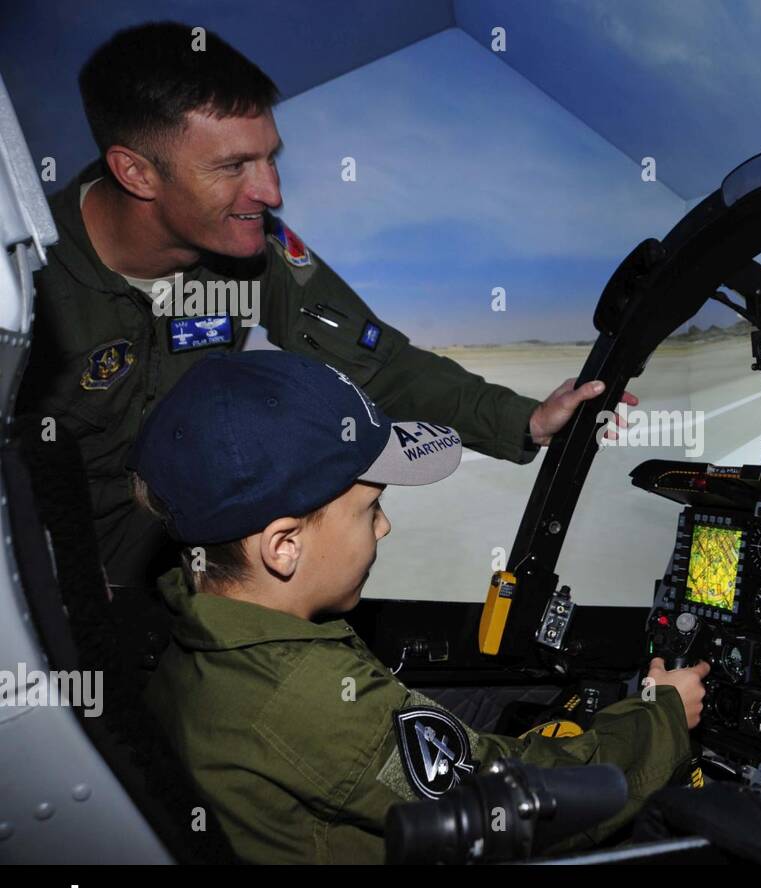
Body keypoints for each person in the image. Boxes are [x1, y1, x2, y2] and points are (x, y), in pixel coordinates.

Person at [17, 21, 633, 586]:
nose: (271, 192)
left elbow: (377, 362)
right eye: (233, 166)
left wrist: (523, 420)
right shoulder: (23, 287)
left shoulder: (251, 252)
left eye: (269, 158)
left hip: (179, 588)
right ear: (137, 173)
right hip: (42, 603)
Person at [128, 349, 707, 864]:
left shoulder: (195, 628)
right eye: (370, 509)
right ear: (284, 546)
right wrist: (660, 718)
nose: (385, 525)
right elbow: (513, 804)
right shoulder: (310, 698)